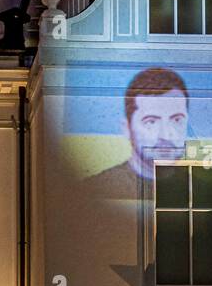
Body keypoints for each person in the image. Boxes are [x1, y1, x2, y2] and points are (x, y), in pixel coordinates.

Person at [81, 67, 189, 202]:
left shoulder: (209, 194)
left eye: (176, 120)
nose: (166, 135)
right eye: (151, 122)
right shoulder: (90, 193)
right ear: (127, 129)